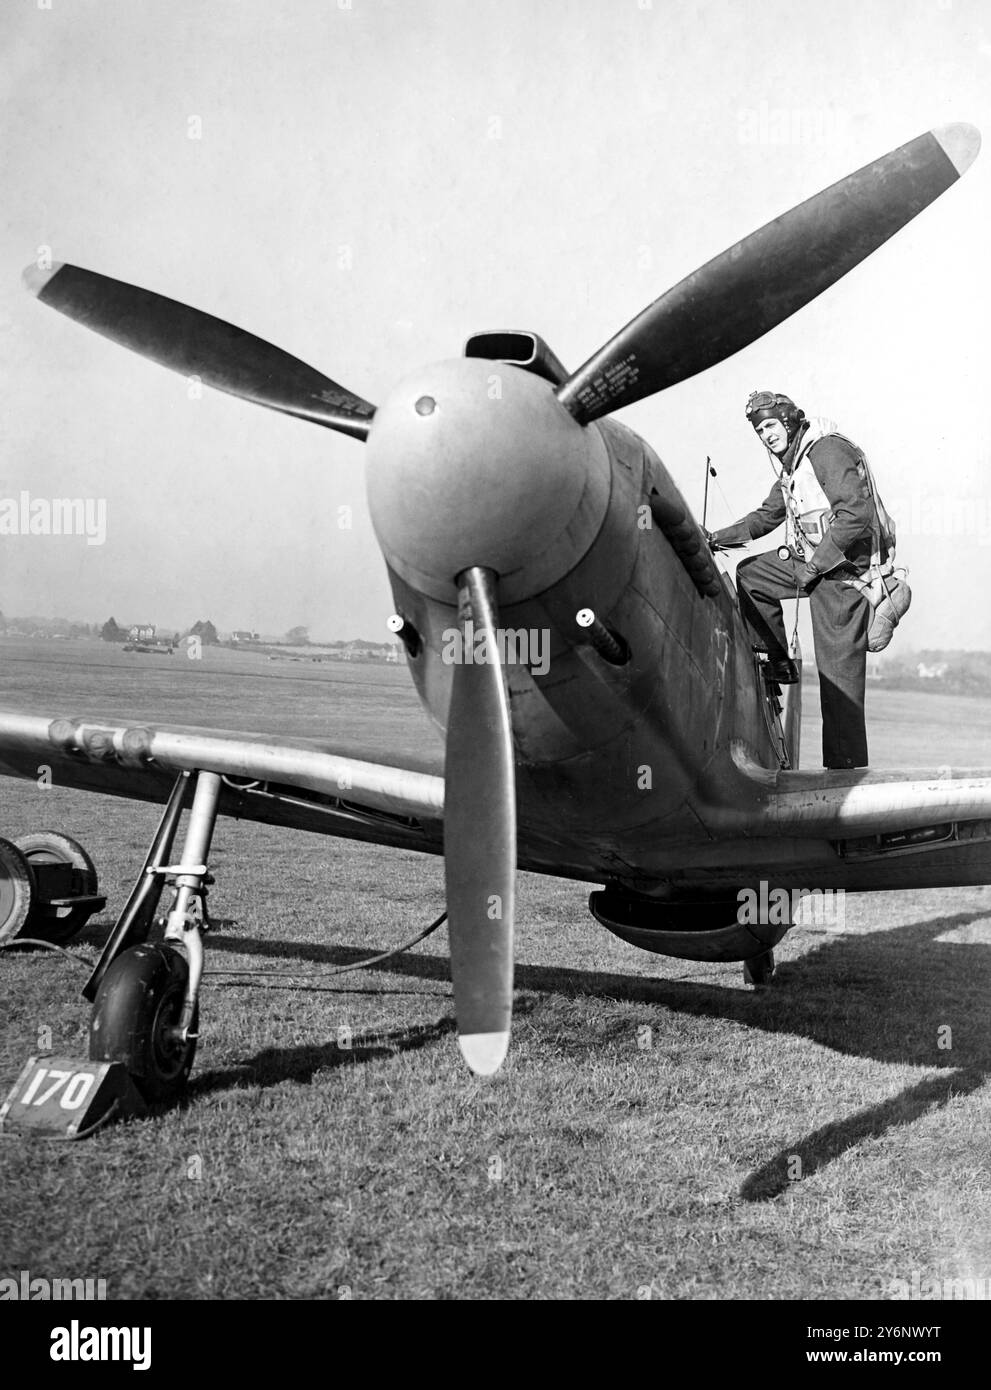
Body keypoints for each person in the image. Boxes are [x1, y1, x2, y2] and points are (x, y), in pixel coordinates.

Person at [709, 390, 879, 770]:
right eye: (759, 431)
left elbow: (855, 514)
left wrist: (815, 567)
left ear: (788, 420)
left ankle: (844, 779)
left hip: (843, 575)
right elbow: (767, 516)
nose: (766, 436)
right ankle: (778, 662)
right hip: (812, 564)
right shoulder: (792, 465)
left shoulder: (826, 451)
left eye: (770, 425)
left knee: (838, 686)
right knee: (752, 576)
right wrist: (715, 537)